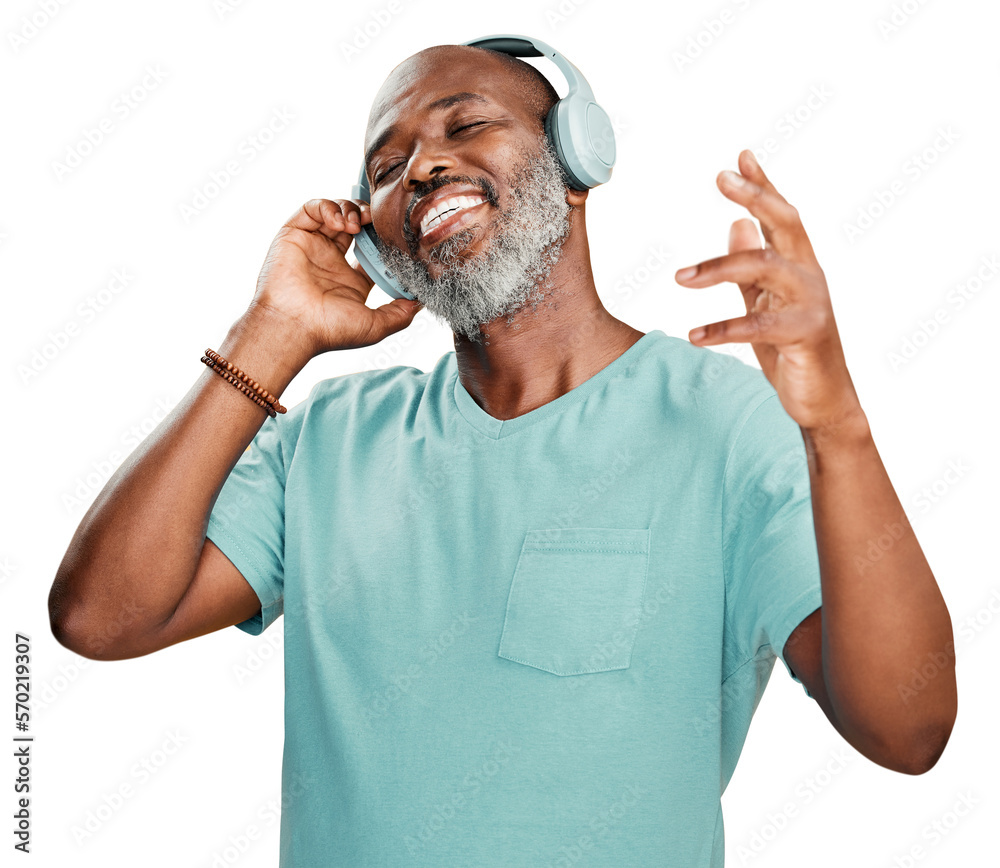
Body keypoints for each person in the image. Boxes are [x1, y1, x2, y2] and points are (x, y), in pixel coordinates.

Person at [49, 38, 958, 867]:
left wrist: (837, 428)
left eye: (466, 124)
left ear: (575, 160)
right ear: (377, 243)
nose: (423, 166)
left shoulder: (720, 421)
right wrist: (270, 335)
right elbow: (100, 618)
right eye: (386, 167)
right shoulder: (327, 439)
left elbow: (907, 729)